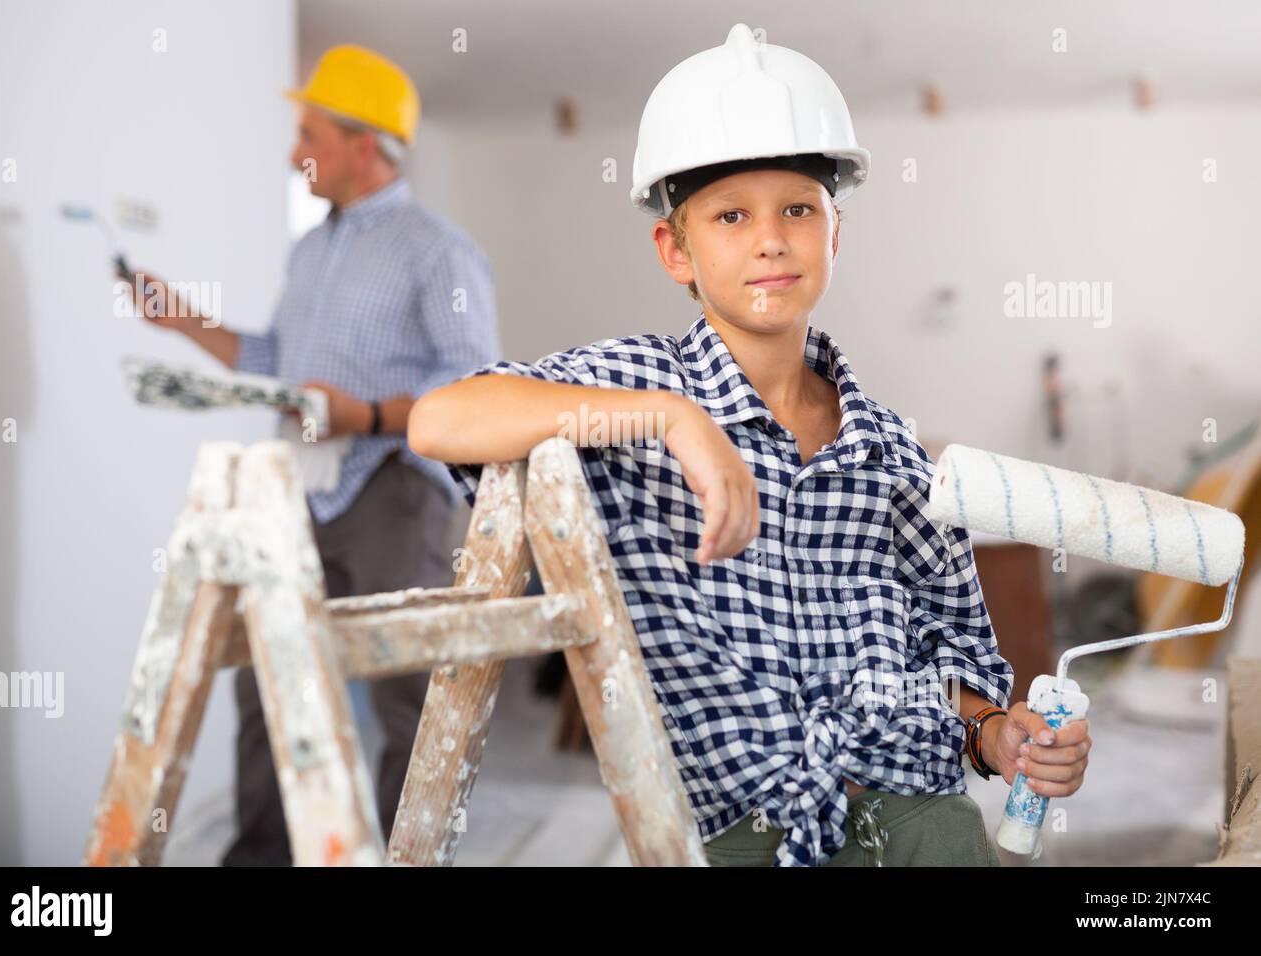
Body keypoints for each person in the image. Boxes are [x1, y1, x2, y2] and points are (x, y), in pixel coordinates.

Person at [408, 25, 1093, 867]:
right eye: (731, 215)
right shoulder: (638, 390)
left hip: (921, 825)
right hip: (741, 836)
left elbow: (950, 663)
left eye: (798, 210)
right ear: (676, 250)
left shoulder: (890, 452)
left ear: (835, 233)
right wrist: (670, 419)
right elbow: (440, 417)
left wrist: (998, 735)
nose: (771, 239)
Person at [123, 45, 500, 864]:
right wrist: (180, 318)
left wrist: (363, 413)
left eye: (311, 133)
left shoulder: (437, 252)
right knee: (266, 678)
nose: (297, 152)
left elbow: (471, 386)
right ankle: (260, 857)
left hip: (392, 492)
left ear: (364, 146)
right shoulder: (309, 251)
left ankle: (409, 853)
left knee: (411, 690)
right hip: (296, 492)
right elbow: (275, 365)